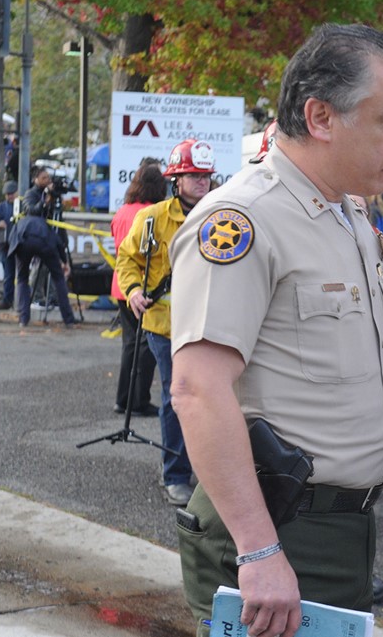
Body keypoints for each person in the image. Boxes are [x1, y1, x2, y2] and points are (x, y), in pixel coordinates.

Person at [168, 24, 383, 637]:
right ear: (321, 117)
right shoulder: (245, 219)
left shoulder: (348, 211)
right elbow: (198, 390)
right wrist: (258, 550)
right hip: (277, 528)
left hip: (339, 530)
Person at [116, 139, 213, 507]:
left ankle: (207, 472)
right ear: (176, 178)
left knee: (210, 399)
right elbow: (127, 259)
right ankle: (175, 475)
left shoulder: (222, 214)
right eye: (193, 175)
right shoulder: (152, 218)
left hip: (209, 325)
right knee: (178, 397)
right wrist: (133, 291)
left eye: (205, 175)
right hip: (165, 325)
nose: (201, 182)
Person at [109, 162, 166, 417]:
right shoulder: (152, 213)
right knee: (145, 349)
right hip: (143, 287)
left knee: (130, 346)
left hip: (122, 285)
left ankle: (124, 398)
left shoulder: (122, 211)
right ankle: (138, 399)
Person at [7, 183, 77, 329]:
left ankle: (23, 318)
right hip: (44, 242)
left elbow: (11, 239)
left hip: (22, 241)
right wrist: (64, 263)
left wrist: (12, 255)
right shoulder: (44, 224)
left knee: (22, 279)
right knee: (58, 278)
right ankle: (68, 319)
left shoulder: (22, 221)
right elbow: (59, 242)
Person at [0, 181, 19, 310]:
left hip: (18, 244)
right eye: (7, 194)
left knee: (20, 275)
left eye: (11, 194)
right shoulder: (0, 208)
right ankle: (8, 300)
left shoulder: (21, 206)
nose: (9, 197)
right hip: (5, 245)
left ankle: (17, 300)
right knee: (8, 274)